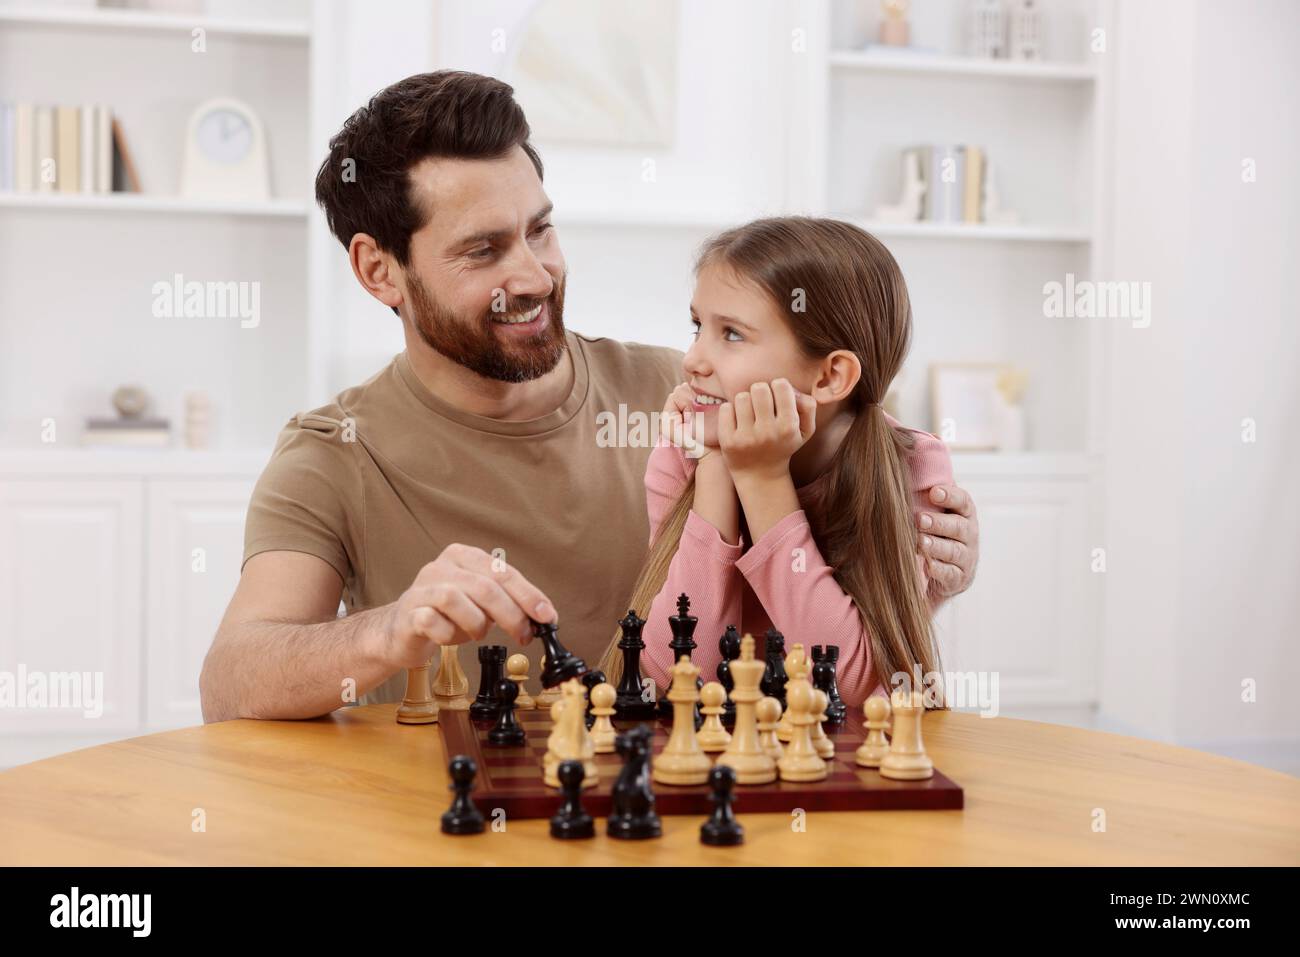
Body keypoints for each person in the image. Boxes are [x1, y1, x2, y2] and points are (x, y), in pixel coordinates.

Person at [199, 71, 981, 723]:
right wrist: (386, 631)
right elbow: (230, 682)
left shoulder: (681, 395)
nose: (535, 275)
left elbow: (831, 638)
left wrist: (916, 573)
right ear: (379, 271)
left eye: (540, 230)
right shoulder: (334, 449)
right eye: (483, 250)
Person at [599, 217, 956, 708]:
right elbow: (677, 673)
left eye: (733, 335)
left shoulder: (912, 466)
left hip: (843, 759)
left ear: (830, 377)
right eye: (698, 326)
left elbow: (845, 683)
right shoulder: (683, 455)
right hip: (720, 753)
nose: (694, 360)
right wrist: (718, 467)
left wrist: (762, 478)